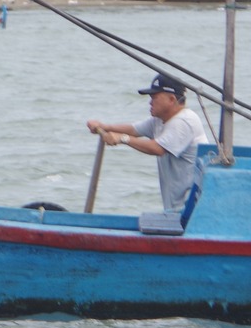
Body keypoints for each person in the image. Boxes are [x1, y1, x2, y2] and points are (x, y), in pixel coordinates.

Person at [87, 72, 206, 221]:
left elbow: (157, 149)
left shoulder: (184, 121)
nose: (150, 102)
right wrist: (104, 126)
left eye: (155, 97)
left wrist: (122, 139)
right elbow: (134, 130)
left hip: (193, 207)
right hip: (175, 208)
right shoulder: (160, 120)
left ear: (171, 99)